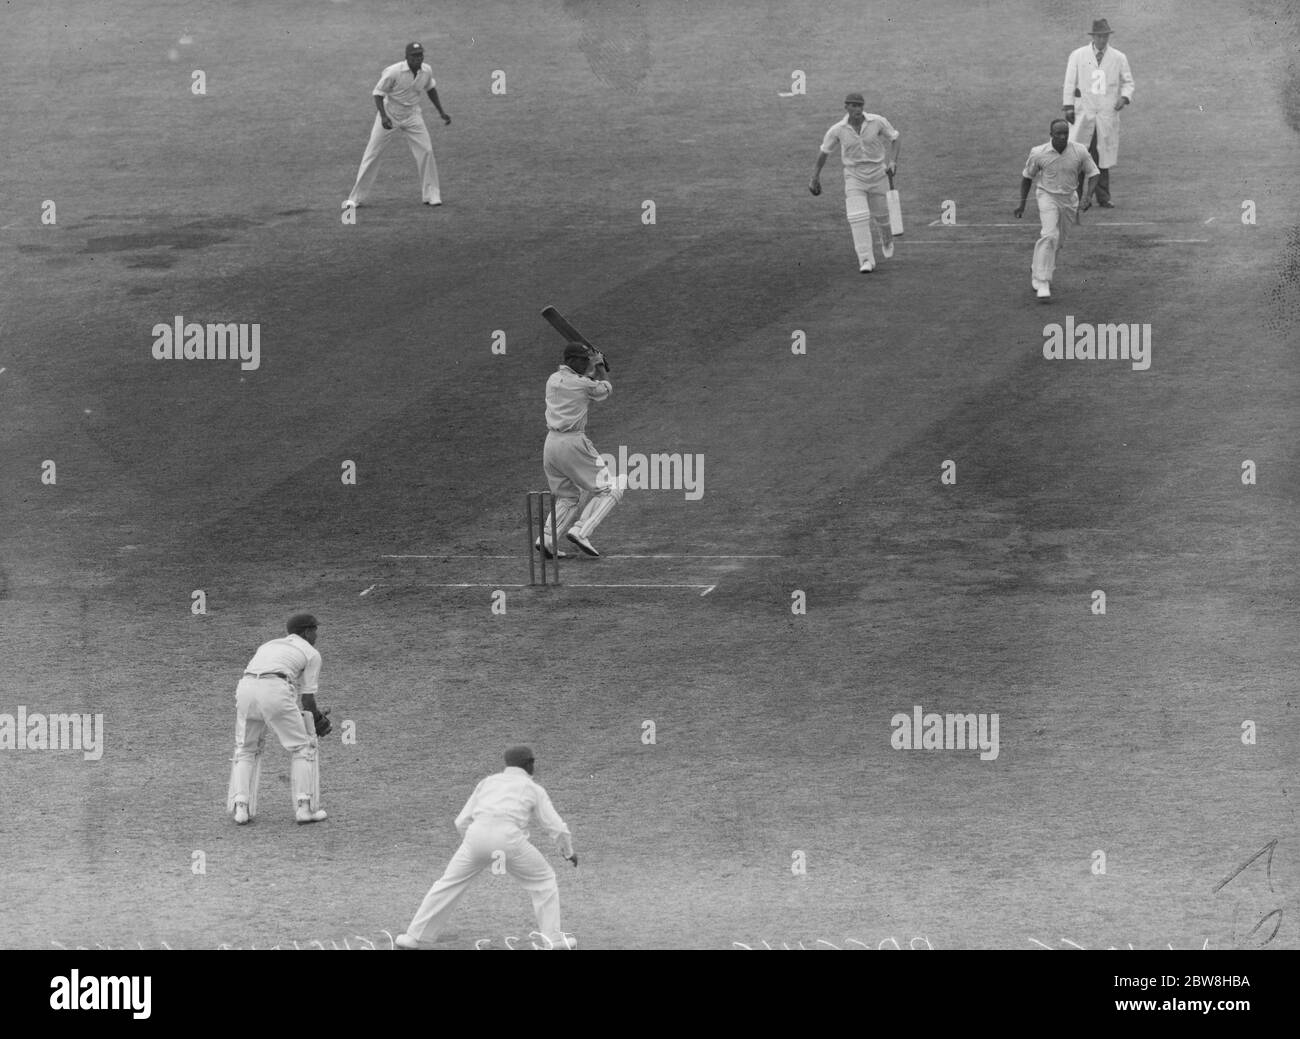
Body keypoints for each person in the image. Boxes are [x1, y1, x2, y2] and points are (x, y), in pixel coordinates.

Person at [395, 746, 578, 950]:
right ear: (530, 764)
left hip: (475, 837)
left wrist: (477, 847)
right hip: (509, 840)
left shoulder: (487, 782)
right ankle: (554, 943)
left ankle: (413, 937)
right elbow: (555, 826)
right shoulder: (533, 788)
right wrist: (568, 852)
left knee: (447, 884)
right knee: (544, 881)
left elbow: (461, 821)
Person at [225, 613, 332, 825]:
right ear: (307, 632)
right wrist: (318, 719)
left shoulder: (268, 645)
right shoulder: (311, 653)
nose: (317, 635)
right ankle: (305, 809)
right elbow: (307, 699)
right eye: (315, 630)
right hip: (274, 689)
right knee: (302, 747)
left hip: (245, 688)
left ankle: (241, 809)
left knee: (245, 749)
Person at [343, 42, 451, 209]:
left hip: (413, 115)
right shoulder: (393, 72)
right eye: (414, 56)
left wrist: (441, 112)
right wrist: (384, 117)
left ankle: (432, 195)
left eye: (420, 55)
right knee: (372, 154)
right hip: (390, 114)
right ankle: (355, 198)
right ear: (406, 57)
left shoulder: (426, 70)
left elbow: (431, 89)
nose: (418, 58)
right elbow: (378, 94)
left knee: (427, 151)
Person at [542, 342, 620, 559]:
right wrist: (600, 365)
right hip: (573, 443)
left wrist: (592, 364)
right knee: (610, 489)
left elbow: (584, 378)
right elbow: (605, 389)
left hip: (550, 445)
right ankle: (581, 531)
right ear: (575, 361)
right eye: (584, 361)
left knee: (568, 496)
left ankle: (547, 538)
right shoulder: (583, 385)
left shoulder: (553, 379)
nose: (587, 365)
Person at [810, 92, 901, 273]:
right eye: (854, 106)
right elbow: (824, 153)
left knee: (882, 217)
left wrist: (892, 162)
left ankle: (886, 237)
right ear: (846, 107)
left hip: (878, 174)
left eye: (860, 106)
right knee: (857, 217)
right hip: (854, 177)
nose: (858, 109)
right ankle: (866, 259)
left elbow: (895, 138)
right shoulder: (837, 130)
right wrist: (815, 177)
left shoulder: (877, 121)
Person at [1014, 119, 1100, 302]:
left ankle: (1038, 266)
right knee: (1049, 235)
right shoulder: (1038, 153)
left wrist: (1088, 196)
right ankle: (1042, 281)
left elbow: (1094, 173)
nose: (1062, 137)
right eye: (1058, 134)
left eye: (1065, 133)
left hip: (1069, 199)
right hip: (1047, 196)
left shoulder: (1079, 150)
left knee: (1058, 242)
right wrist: (1022, 203)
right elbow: (1027, 177)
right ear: (1051, 134)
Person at [1062, 18, 1135, 208]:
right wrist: (1068, 106)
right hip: (1083, 112)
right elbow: (1070, 82)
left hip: (1106, 113)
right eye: (1099, 36)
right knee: (1079, 154)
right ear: (1093, 36)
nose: (1102, 40)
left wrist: (1124, 98)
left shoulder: (1118, 57)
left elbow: (1128, 82)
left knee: (1102, 155)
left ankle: (1103, 197)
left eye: (1105, 36)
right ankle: (1075, 196)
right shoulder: (1078, 55)